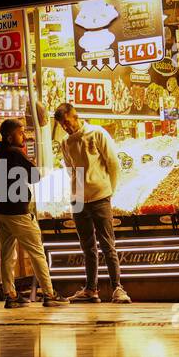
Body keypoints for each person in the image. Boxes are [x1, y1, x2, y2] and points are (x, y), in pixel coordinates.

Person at [52, 103, 131, 304]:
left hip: (100, 197)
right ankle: (91, 289)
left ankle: (117, 288)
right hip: (78, 200)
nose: (67, 128)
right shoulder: (65, 142)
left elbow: (113, 163)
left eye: (67, 123)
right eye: (63, 125)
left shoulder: (97, 134)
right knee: (87, 246)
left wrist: (109, 190)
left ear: (75, 115)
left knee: (107, 244)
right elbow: (69, 169)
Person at [0, 119, 69, 308]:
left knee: (7, 254)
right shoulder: (15, 153)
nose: (24, 136)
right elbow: (36, 177)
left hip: (0, 210)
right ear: (10, 136)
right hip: (18, 212)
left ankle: (10, 294)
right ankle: (49, 294)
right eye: (20, 133)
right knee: (37, 251)